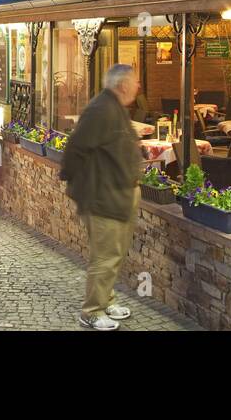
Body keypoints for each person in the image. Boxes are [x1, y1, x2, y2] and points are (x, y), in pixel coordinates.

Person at [59, 63, 142, 330]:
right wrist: (75, 184)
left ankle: (106, 300)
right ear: (123, 85)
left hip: (117, 195)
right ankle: (92, 311)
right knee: (104, 257)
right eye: (135, 81)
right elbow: (75, 149)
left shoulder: (114, 108)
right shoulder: (100, 109)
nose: (139, 86)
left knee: (114, 255)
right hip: (102, 196)